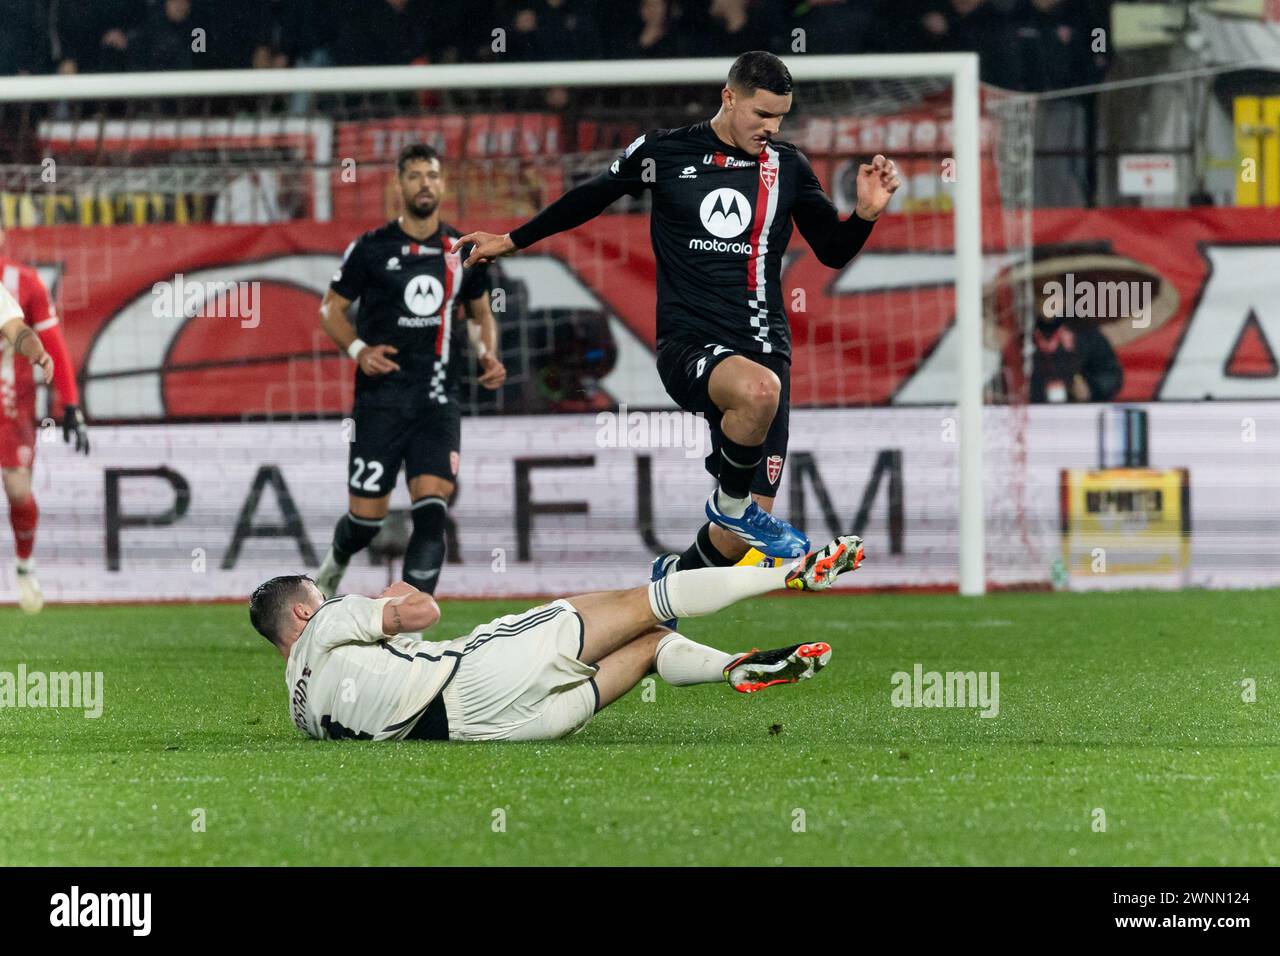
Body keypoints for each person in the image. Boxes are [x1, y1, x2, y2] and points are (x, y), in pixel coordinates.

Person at [453, 52, 899, 619]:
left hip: (766, 350)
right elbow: (591, 195)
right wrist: (512, 239)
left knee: (736, 541)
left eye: (781, 118)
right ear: (729, 97)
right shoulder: (664, 152)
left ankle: (663, 594)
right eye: (763, 114)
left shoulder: (787, 167)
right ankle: (732, 503)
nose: (772, 128)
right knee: (756, 401)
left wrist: (863, 214)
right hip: (689, 345)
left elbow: (832, 251)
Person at [250, 535, 864, 742]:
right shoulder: (329, 622)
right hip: (474, 677)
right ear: (302, 616)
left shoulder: (300, 711)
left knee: (649, 647)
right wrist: (394, 598)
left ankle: (734, 666)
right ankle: (791, 572)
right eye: (320, 595)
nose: (330, 600)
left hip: (490, 735)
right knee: (640, 601)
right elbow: (426, 613)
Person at [315, 143, 506, 599]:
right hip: (380, 402)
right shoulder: (370, 249)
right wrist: (359, 349)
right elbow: (331, 309)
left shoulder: (461, 251)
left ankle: (409, 622)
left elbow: (481, 315)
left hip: (437, 401)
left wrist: (487, 355)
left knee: (432, 510)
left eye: (433, 175)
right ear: (398, 185)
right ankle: (332, 567)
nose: (425, 183)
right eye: (416, 175)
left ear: (443, 184)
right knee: (365, 523)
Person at [0, 233, 87, 613]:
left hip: (10, 402)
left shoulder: (21, 283)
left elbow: (25, 334)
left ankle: (24, 566)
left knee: (18, 489)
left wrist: (70, 402)